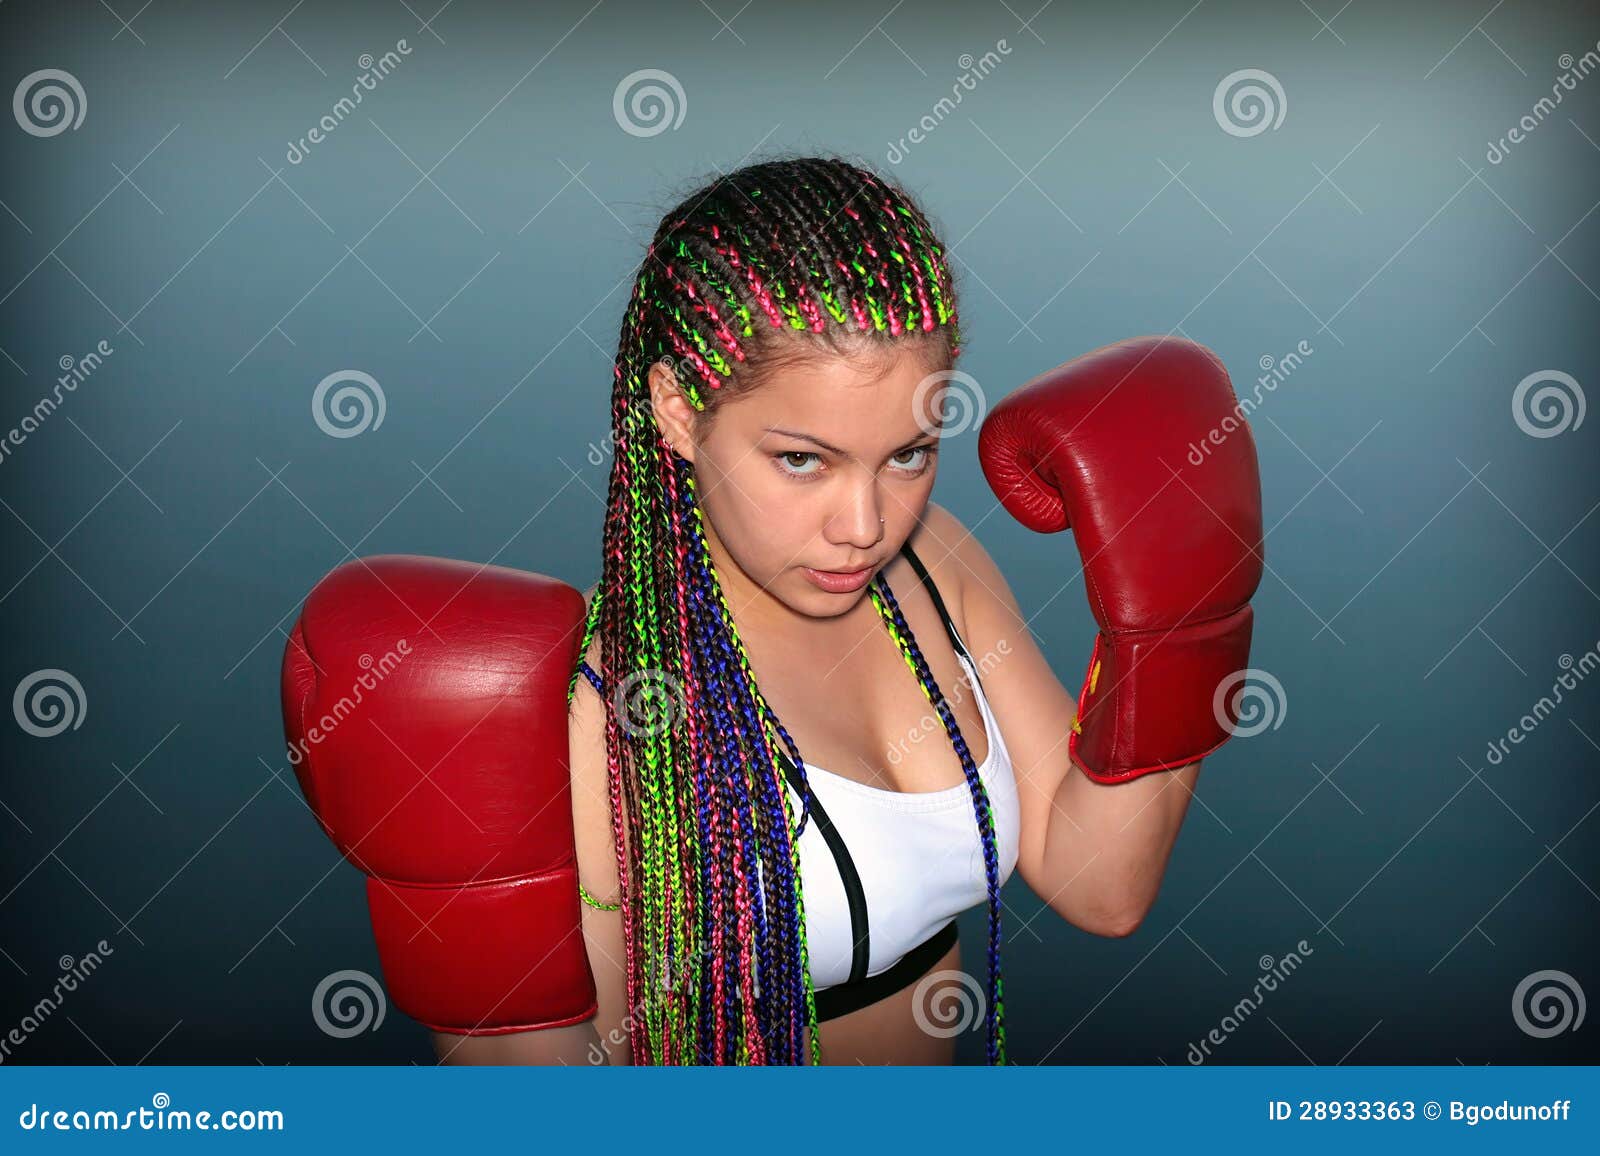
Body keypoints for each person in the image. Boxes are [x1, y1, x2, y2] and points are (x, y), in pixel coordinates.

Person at [281, 154, 1263, 1066]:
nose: (864, 523)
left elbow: (1102, 884)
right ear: (675, 410)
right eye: (803, 459)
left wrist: (1182, 629)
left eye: (908, 454)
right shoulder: (604, 704)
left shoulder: (934, 560)